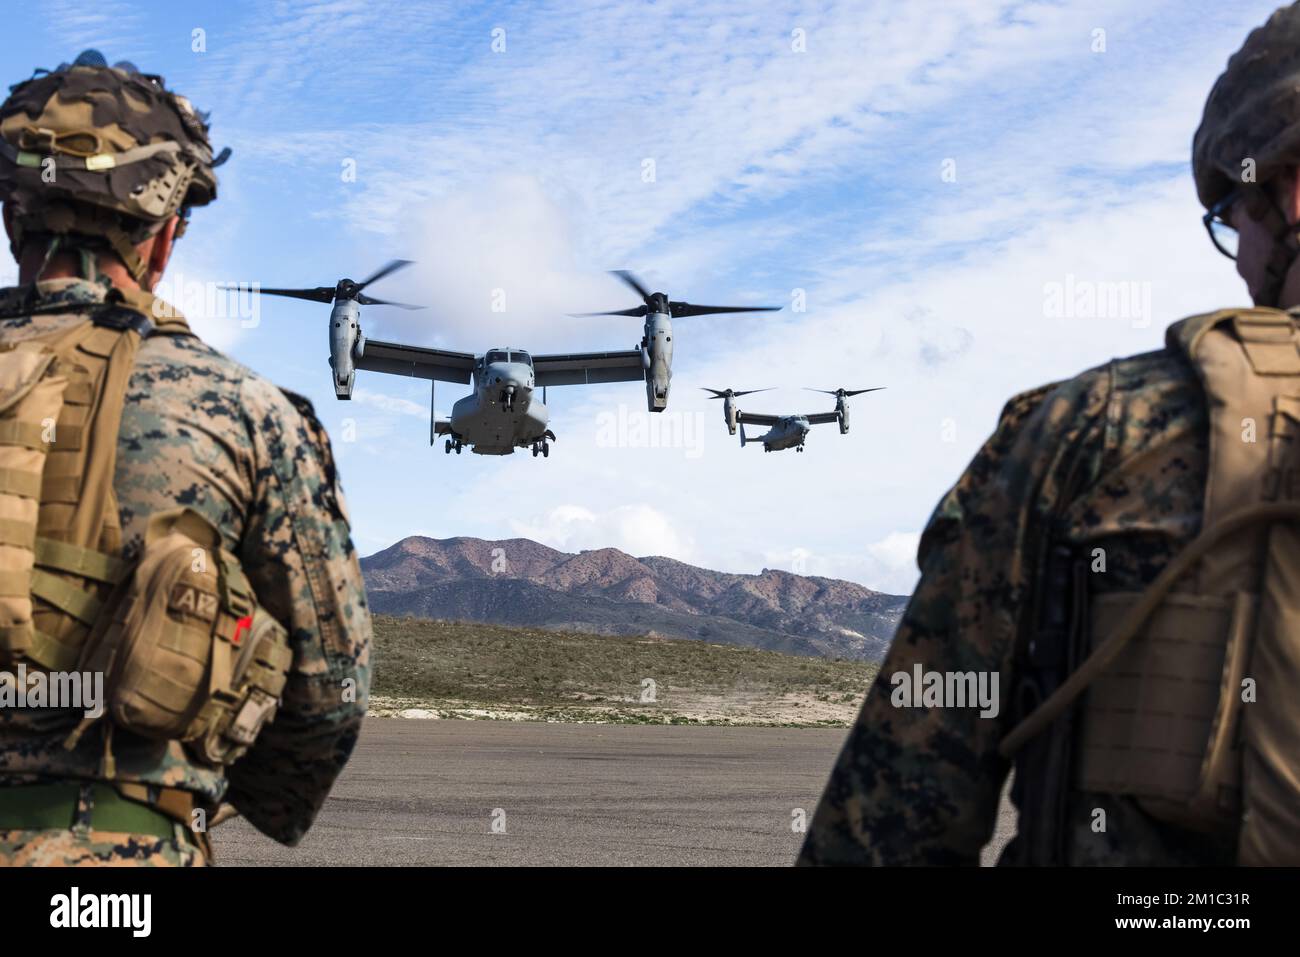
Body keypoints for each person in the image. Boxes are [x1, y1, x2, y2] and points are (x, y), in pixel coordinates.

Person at [799, 4, 1300, 866]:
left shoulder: (1089, 432)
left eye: (1236, 220)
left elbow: (886, 830)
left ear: (1289, 193)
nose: (1242, 260)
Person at [0, 51, 372, 866]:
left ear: (12, 217)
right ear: (164, 237)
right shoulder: (247, 414)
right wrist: (197, 807)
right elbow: (333, 691)